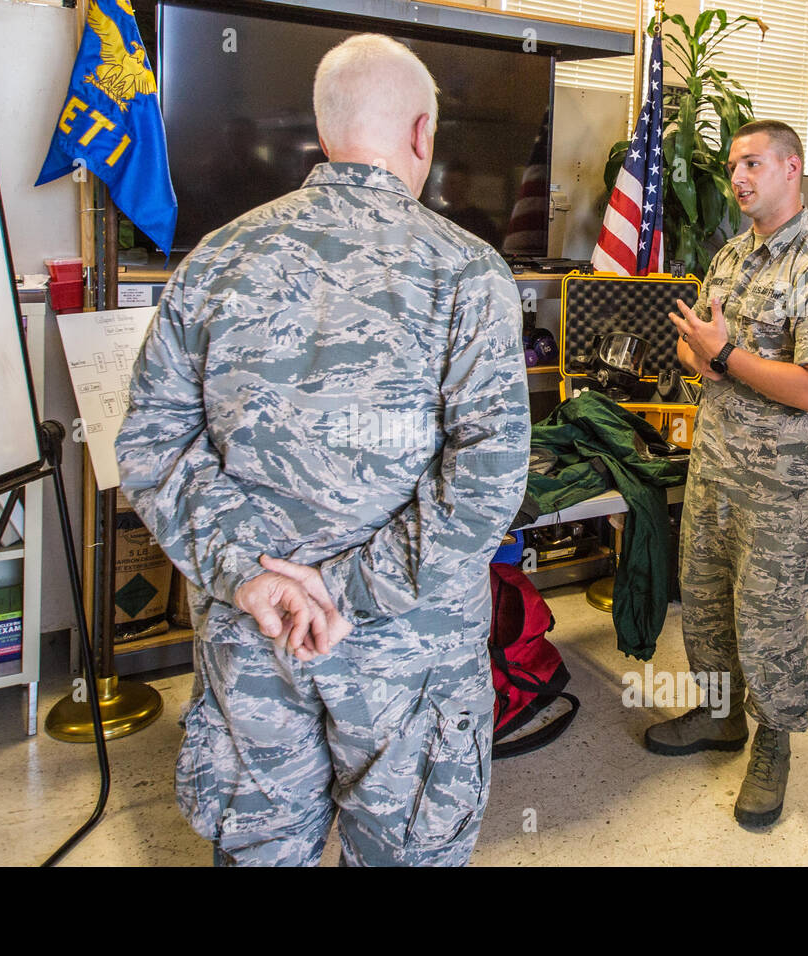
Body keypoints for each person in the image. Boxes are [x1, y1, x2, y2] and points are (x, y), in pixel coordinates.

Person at [115, 33, 530, 866]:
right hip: (407, 659)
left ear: (323, 127)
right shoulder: (468, 272)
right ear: (422, 135)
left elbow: (154, 442)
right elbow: (486, 479)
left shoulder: (213, 260)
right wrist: (344, 592)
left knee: (260, 853)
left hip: (254, 636)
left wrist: (261, 579)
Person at [650, 120, 808, 827]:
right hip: (715, 467)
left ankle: (773, 742)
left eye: (752, 164)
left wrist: (725, 354)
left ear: (791, 168)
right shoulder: (731, 256)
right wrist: (702, 353)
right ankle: (719, 715)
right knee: (705, 605)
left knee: (767, 623)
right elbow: (698, 358)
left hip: (778, 486)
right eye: (734, 165)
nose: (738, 178)